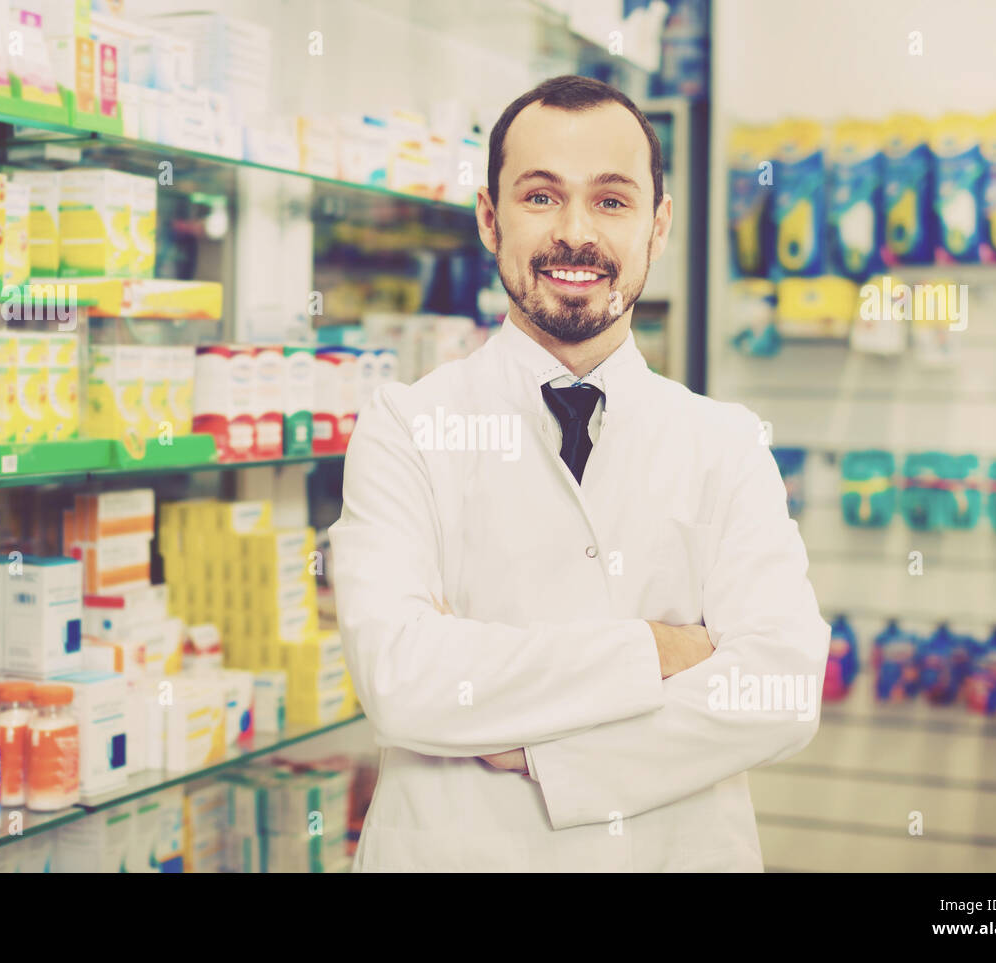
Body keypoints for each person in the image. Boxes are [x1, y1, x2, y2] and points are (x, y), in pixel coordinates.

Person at [329, 74, 830, 872]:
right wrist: (658, 649)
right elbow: (403, 678)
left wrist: (545, 753)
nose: (575, 233)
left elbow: (777, 690)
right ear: (490, 220)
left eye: (612, 200)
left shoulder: (725, 443)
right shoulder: (407, 427)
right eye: (539, 196)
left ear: (657, 226)